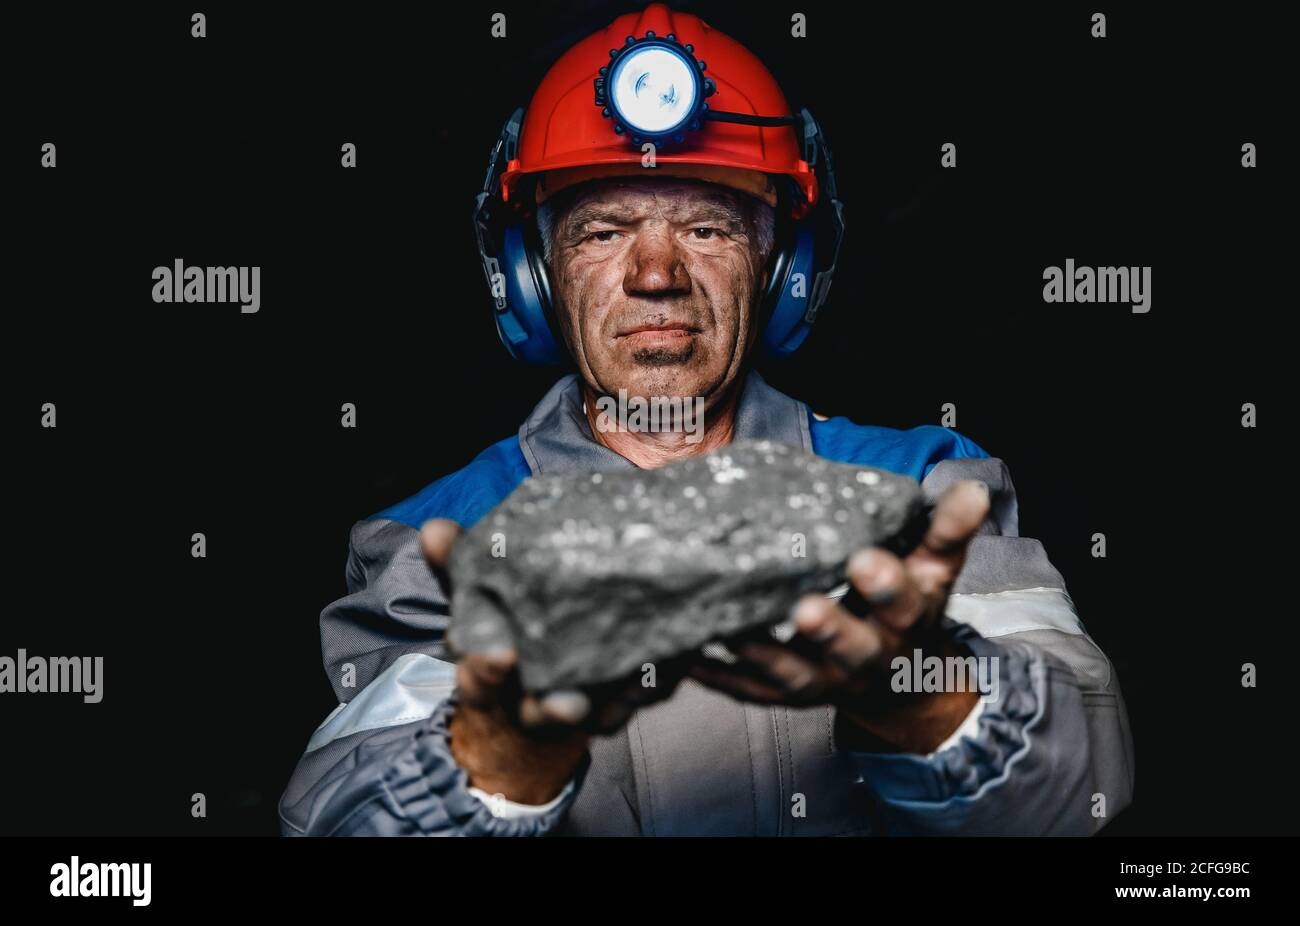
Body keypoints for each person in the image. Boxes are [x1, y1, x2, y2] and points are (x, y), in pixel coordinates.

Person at [279, 3, 1132, 836]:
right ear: (534, 280)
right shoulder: (431, 542)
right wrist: (501, 752)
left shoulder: (927, 488)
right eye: (603, 231)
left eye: (708, 229)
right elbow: (341, 820)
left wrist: (921, 693)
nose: (656, 274)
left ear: (781, 270)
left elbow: (1086, 780)